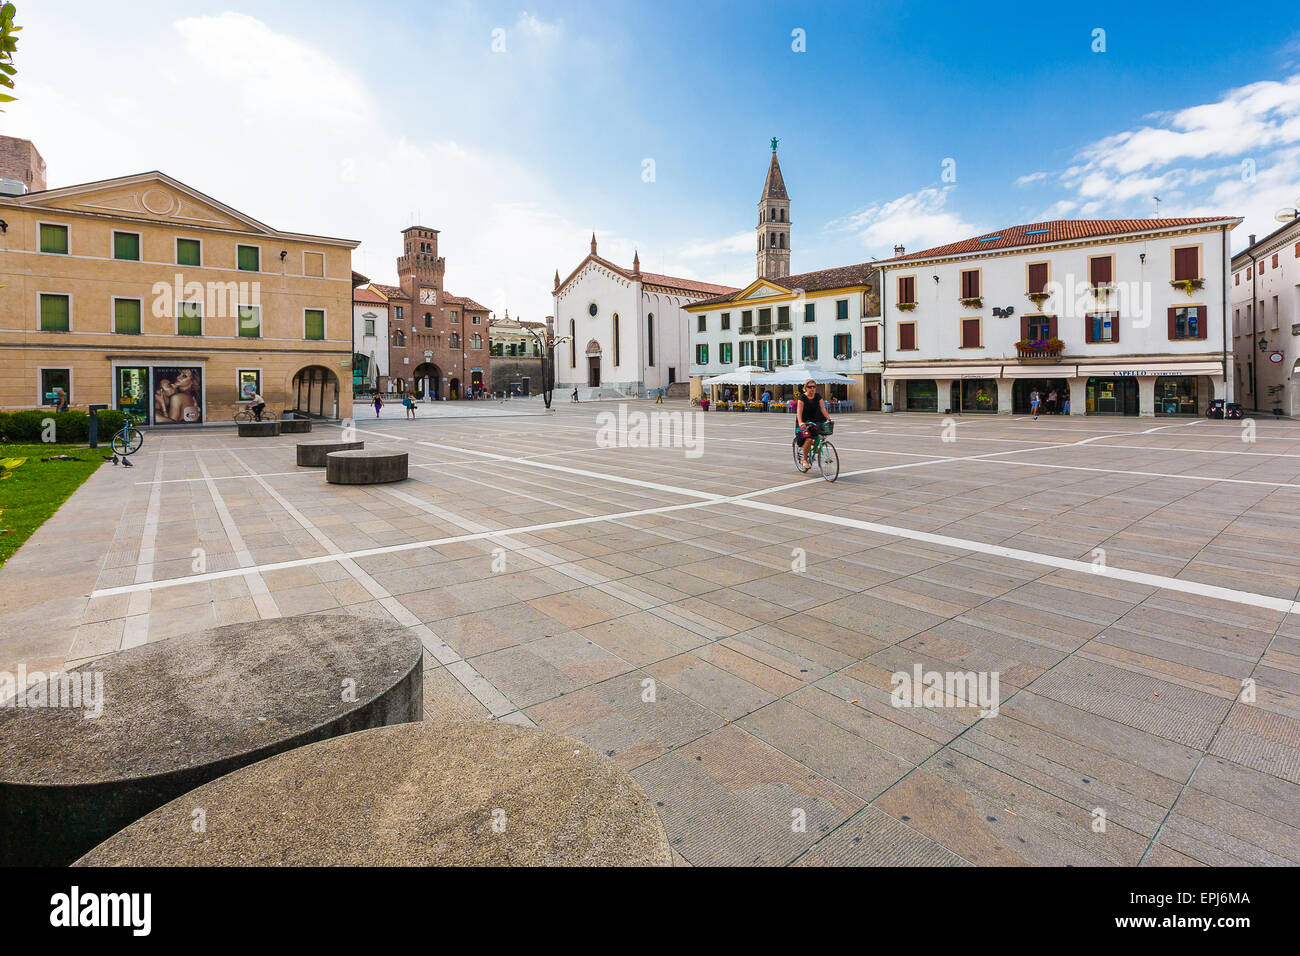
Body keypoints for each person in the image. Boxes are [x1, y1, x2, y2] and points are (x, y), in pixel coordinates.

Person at [795, 379, 832, 471]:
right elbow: (799, 412)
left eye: (814, 387)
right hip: (804, 422)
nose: (812, 389)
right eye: (810, 387)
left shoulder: (818, 396)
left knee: (819, 437)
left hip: (816, 420)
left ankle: (813, 450)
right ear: (805, 388)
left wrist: (829, 419)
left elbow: (823, 409)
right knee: (808, 438)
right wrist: (800, 423)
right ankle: (804, 459)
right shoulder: (802, 398)